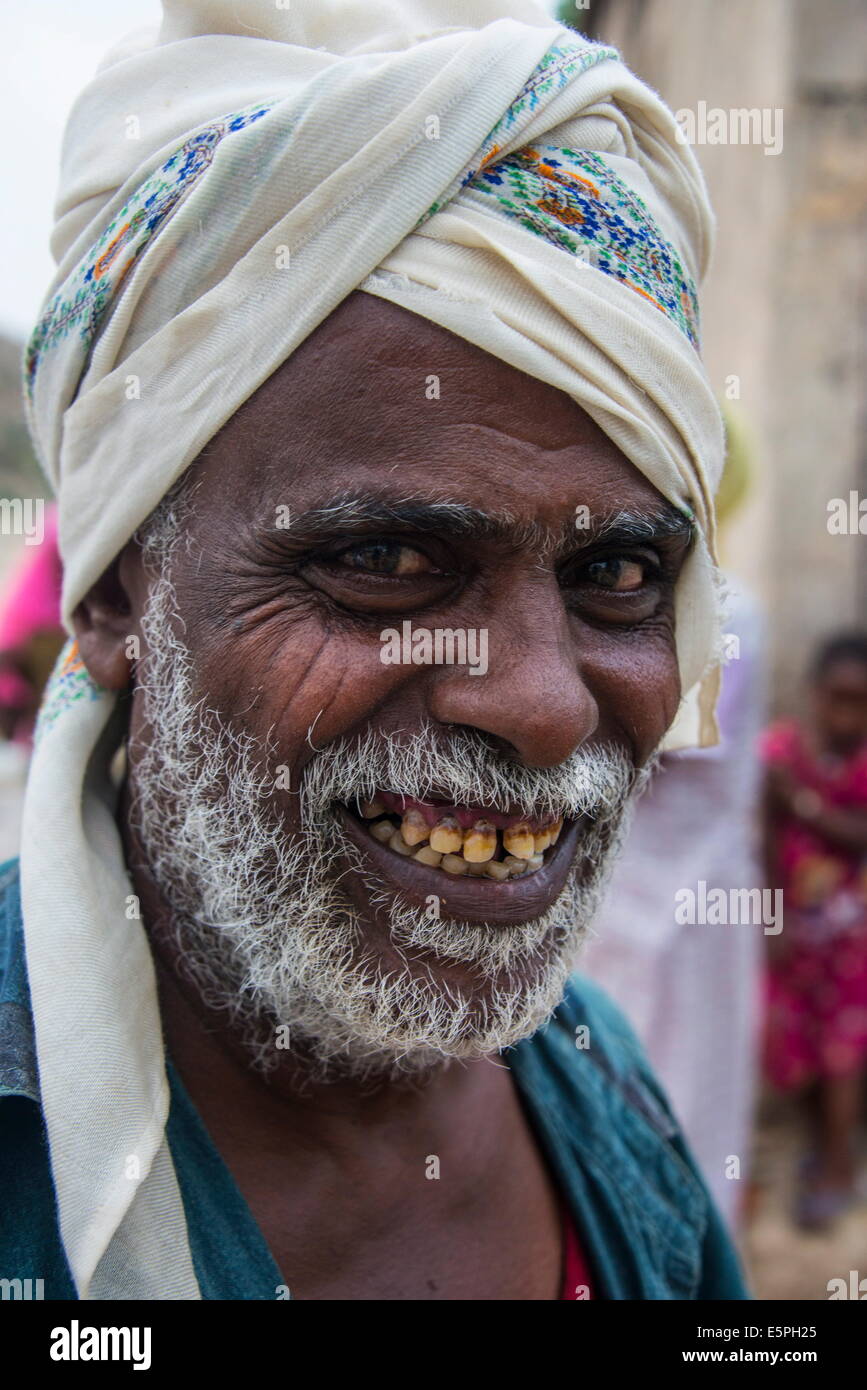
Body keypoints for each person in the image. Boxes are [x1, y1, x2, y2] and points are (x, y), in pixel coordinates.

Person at [0, 1, 749, 1300]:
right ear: (118, 591)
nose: (540, 703)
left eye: (613, 575)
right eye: (387, 562)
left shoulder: (608, 1092)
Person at [578, 422, 766, 1228]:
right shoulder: (627, 599)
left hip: (692, 893)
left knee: (690, 1087)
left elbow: (648, 737)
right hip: (616, 887)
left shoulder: (729, 612)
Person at [761, 632, 867, 1230]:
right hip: (796, 933)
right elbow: (769, 844)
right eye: (837, 698)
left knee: (843, 1053)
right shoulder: (781, 752)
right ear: (814, 694)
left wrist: (801, 804)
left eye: (860, 701)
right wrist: (773, 919)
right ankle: (815, 1150)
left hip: (853, 940)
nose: (846, 714)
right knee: (792, 1045)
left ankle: (837, 1167)